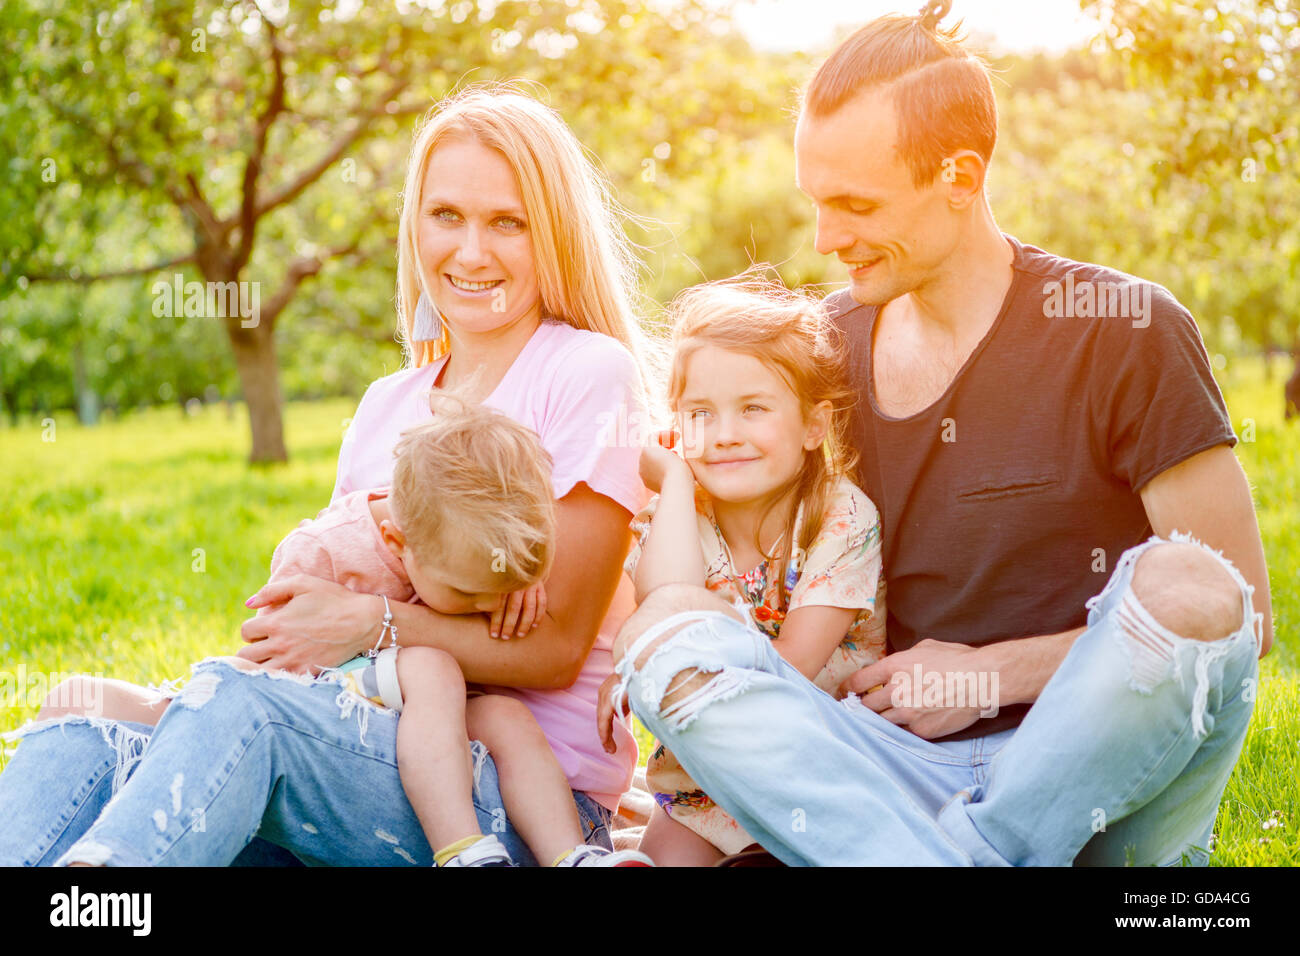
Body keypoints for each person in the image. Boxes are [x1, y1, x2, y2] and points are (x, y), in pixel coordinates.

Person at [612, 2, 1273, 866]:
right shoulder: (821, 350)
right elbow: (721, 523)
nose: (825, 238)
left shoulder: (1125, 329)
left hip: (1093, 775)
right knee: (667, 636)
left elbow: (1238, 616)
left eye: (854, 204)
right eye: (816, 203)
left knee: (1189, 579)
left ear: (959, 177)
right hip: (876, 770)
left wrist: (991, 674)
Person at [0, 83, 656, 866]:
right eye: (446, 216)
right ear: (415, 225)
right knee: (78, 723)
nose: (471, 251)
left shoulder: (585, 373)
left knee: (248, 712)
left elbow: (552, 648)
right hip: (356, 741)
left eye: (506, 222)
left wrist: (371, 624)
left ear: (552, 234)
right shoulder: (387, 406)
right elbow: (334, 608)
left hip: (515, 800)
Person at [596, 274, 887, 865]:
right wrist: (677, 480)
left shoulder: (840, 515)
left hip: (814, 772)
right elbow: (664, 604)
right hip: (702, 785)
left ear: (813, 426)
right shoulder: (676, 516)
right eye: (700, 413)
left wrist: (662, 655)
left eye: (753, 409)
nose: (725, 436)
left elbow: (790, 671)